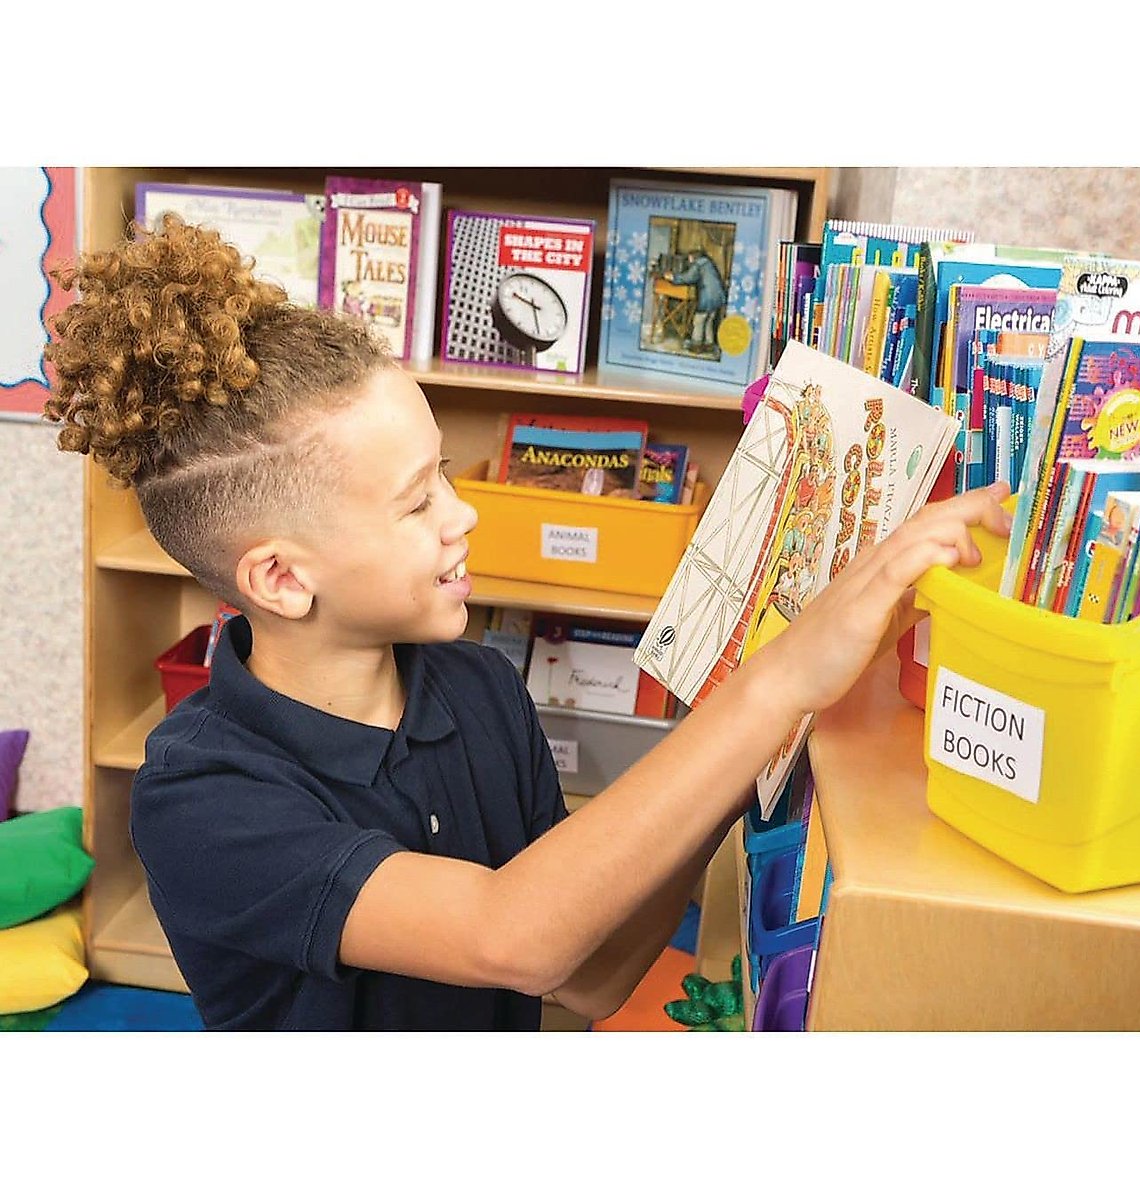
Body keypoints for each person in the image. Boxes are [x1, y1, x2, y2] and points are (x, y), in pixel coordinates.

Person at [42, 216, 1012, 1031]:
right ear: (283, 579)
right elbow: (515, 937)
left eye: (445, 474)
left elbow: (585, 978)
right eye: (417, 501)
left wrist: (742, 756)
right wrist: (777, 680)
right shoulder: (199, 795)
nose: (463, 514)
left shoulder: (476, 687)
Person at [667, 248, 726, 351]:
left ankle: (696, 345)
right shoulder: (708, 263)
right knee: (709, 320)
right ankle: (709, 343)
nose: (688, 260)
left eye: (689, 257)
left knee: (699, 320)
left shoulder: (698, 265)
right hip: (717, 297)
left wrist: (673, 277)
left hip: (708, 297)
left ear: (693, 257)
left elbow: (688, 278)